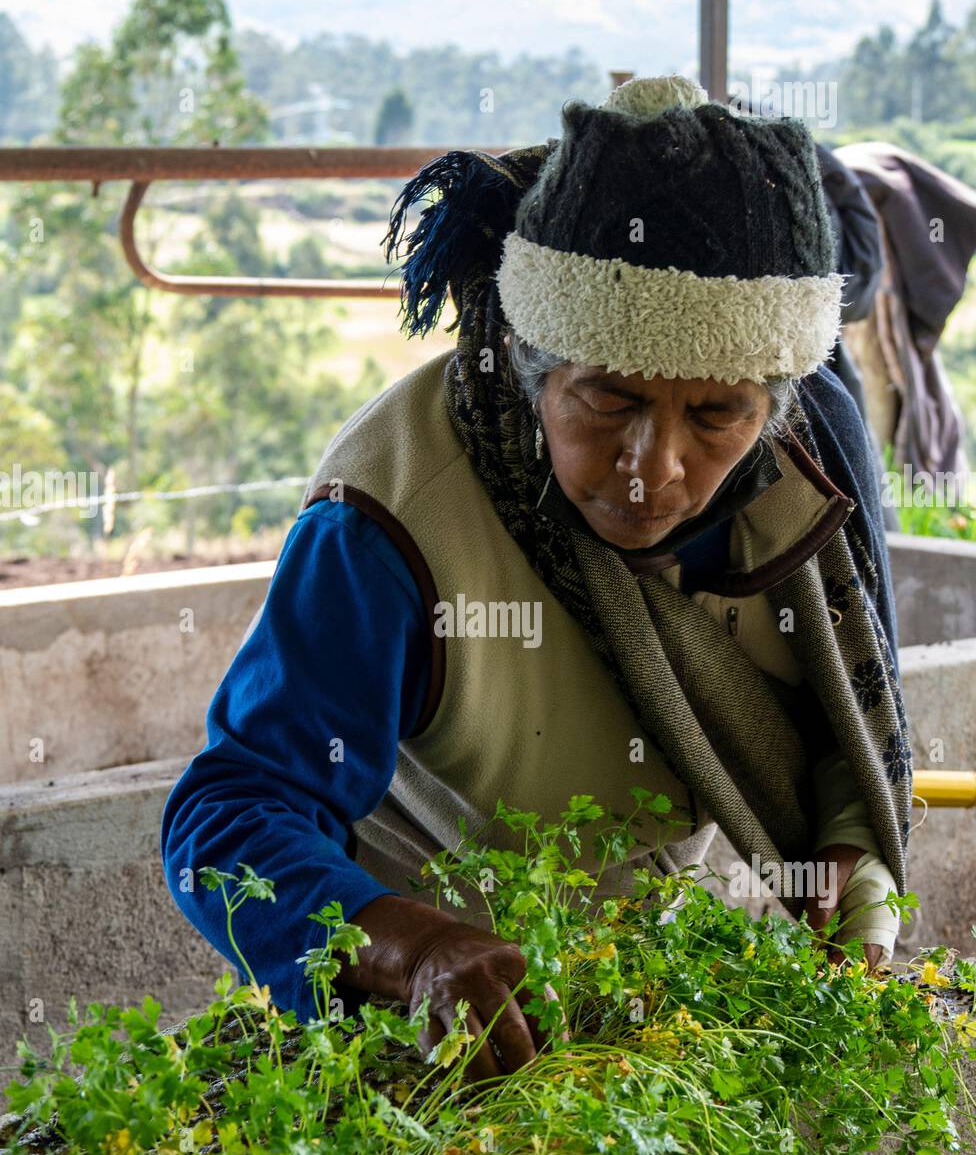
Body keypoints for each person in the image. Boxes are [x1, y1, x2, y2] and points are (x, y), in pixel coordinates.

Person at [161, 74, 915, 1081]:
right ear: (529, 359)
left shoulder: (804, 473)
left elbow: (848, 725)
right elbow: (230, 812)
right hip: (412, 1028)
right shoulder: (391, 519)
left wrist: (855, 867)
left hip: (630, 1008)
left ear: (771, 408)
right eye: (607, 398)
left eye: (714, 416)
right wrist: (412, 950)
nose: (655, 467)